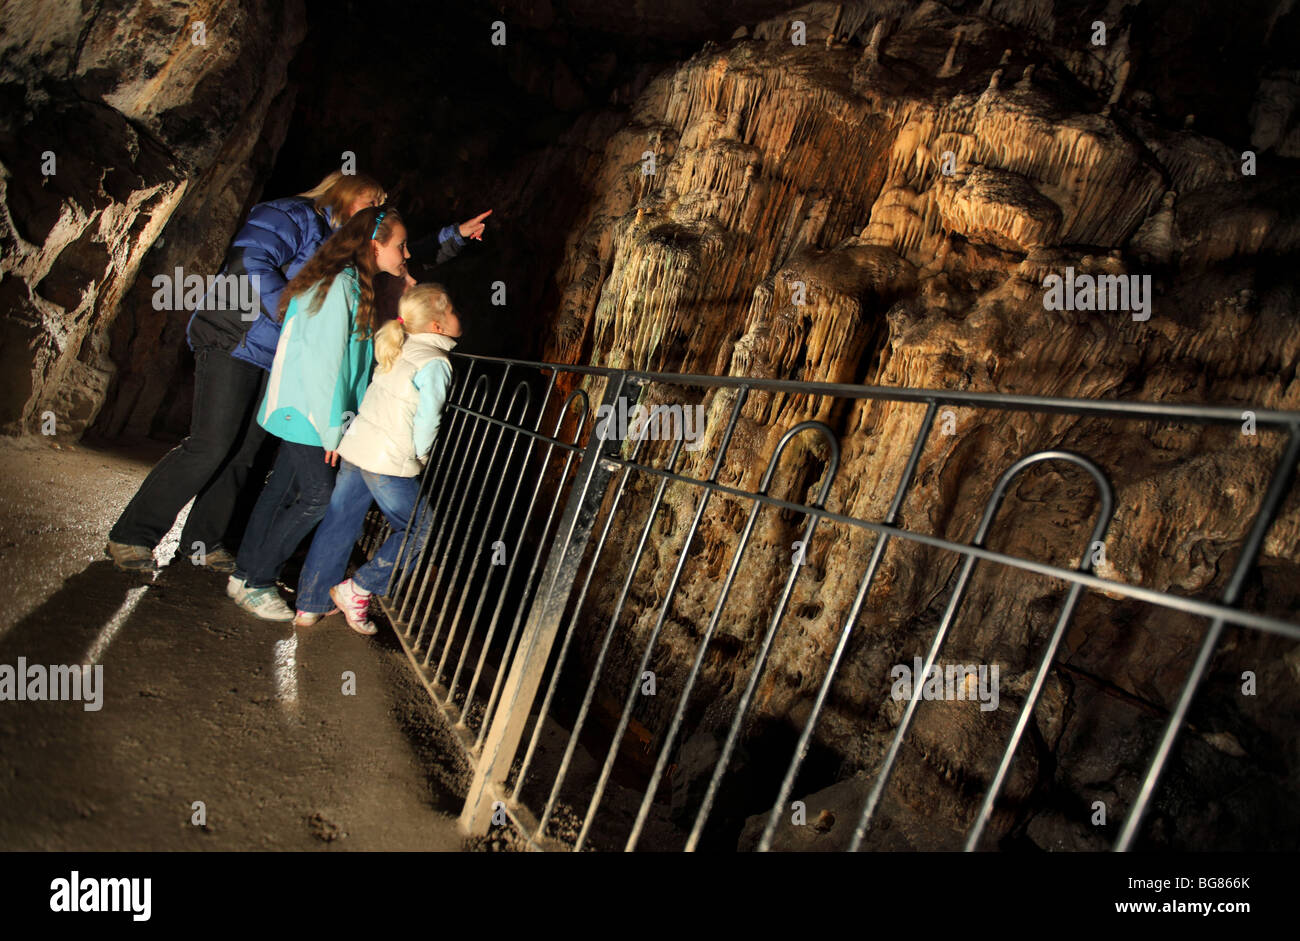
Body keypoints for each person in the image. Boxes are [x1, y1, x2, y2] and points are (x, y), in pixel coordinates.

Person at [105, 170, 387, 574]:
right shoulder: (291, 213)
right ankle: (132, 535)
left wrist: (453, 238)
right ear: (343, 191)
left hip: (277, 357)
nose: (377, 210)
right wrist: (293, 315)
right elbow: (252, 259)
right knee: (210, 444)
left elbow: (393, 251)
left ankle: (201, 543)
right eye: (371, 199)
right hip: (234, 337)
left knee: (245, 455)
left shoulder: (342, 242)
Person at [227, 205, 410, 620]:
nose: (406, 254)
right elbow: (327, 364)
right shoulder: (339, 286)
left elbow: (349, 363)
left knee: (282, 491)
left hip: (307, 407)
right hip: (307, 409)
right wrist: (334, 430)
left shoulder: (350, 283)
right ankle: (256, 580)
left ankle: (244, 575)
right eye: (401, 246)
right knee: (316, 497)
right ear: (374, 245)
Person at [292, 283, 461, 633]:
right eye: (453, 312)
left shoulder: (397, 346)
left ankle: (310, 604)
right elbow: (429, 418)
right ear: (437, 326)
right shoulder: (437, 362)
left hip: (358, 448)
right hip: (389, 460)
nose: (460, 317)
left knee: (339, 522)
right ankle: (359, 588)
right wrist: (422, 453)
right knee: (420, 528)